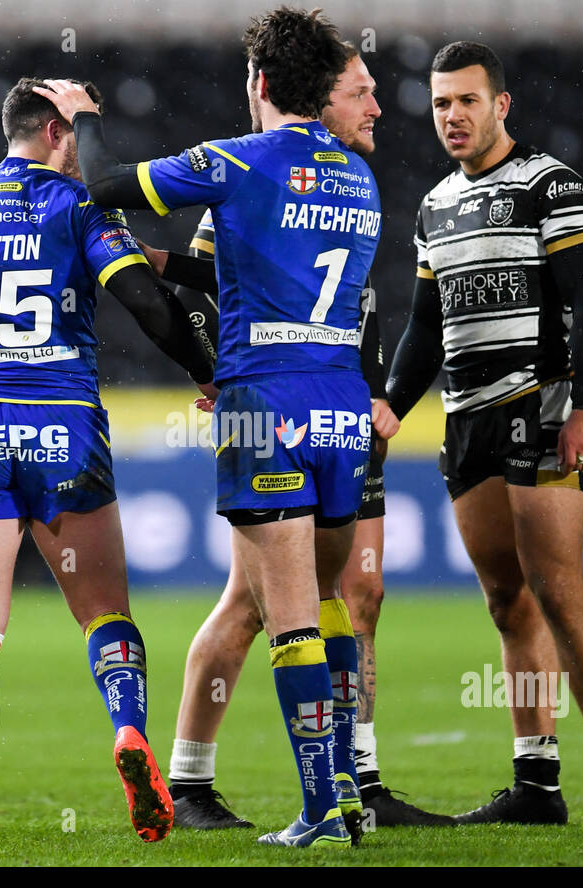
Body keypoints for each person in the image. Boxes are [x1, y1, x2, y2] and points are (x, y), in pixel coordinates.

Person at [37, 6, 379, 847]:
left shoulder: (235, 160)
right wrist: (173, 266)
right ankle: (343, 784)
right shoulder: (358, 179)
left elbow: (108, 181)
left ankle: (319, 810)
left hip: (264, 403)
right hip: (341, 397)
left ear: (259, 84)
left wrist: (82, 115)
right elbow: (262, 267)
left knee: (289, 611)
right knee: (330, 605)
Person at [0, 77, 215, 845]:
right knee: (105, 614)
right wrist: (203, 369)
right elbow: (150, 307)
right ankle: (129, 732)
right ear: (60, 133)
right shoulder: (80, 206)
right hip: (62, 422)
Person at [141, 52, 449, 829]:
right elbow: (222, 284)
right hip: (320, 400)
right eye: (360, 94)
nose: (374, 106)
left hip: (333, 397)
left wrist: (383, 392)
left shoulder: (330, 177)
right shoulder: (302, 183)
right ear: (323, 100)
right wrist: (209, 351)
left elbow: (361, 303)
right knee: (279, 605)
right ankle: (250, 786)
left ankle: (333, 786)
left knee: (320, 599)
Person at [385, 40, 583, 826]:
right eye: (441, 104)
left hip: (536, 406)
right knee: (507, 601)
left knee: (560, 593)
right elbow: (427, 326)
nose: (452, 116)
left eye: (467, 101)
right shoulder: (436, 204)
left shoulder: (551, 185)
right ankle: (538, 783)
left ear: (500, 105)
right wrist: (392, 406)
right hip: (466, 417)